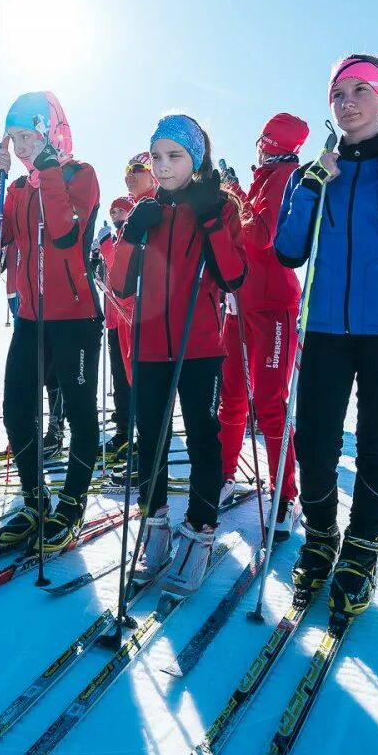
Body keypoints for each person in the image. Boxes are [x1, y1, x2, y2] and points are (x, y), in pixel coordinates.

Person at [274, 54, 378, 618]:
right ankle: (321, 537)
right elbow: (288, 249)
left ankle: (362, 546)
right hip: (324, 325)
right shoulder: (316, 173)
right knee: (314, 441)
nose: (346, 103)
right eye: (338, 94)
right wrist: (308, 185)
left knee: (377, 444)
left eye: (358, 91)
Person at [108, 114, 246, 595]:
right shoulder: (146, 210)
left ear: (196, 158)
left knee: (203, 436)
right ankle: (156, 522)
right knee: (151, 437)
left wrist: (212, 223)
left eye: (175, 156)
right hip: (149, 346)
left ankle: (201, 529)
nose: (163, 167)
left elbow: (233, 277)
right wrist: (131, 236)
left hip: (201, 344)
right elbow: (120, 285)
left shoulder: (219, 206)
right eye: (157, 156)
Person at [0, 91, 103, 553]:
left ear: (51, 132)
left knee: (78, 411)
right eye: (14, 138)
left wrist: (49, 170)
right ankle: (36, 498)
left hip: (74, 315)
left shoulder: (79, 174)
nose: (22, 147)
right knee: (16, 409)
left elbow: (65, 231)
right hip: (31, 317)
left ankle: (72, 502)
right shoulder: (17, 188)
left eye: (29, 136)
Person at [215, 113, 307, 540]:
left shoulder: (286, 174)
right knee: (231, 395)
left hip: (271, 306)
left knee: (270, 402)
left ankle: (285, 495)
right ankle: (223, 474)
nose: (259, 146)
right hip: (240, 301)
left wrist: (232, 190)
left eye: (263, 140)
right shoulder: (265, 175)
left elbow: (261, 236)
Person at [93, 195, 136, 460]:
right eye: (114, 210)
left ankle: (137, 433)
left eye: (122, 209)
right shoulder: (116, 238)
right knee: (119, 379)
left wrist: (107, 245)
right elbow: (104, 274)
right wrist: (96, 257)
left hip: (131, 319)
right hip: (113, 318)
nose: (117, 214)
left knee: (132, 379)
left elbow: (121, 268)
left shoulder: (130, 238)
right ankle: (122, 432)